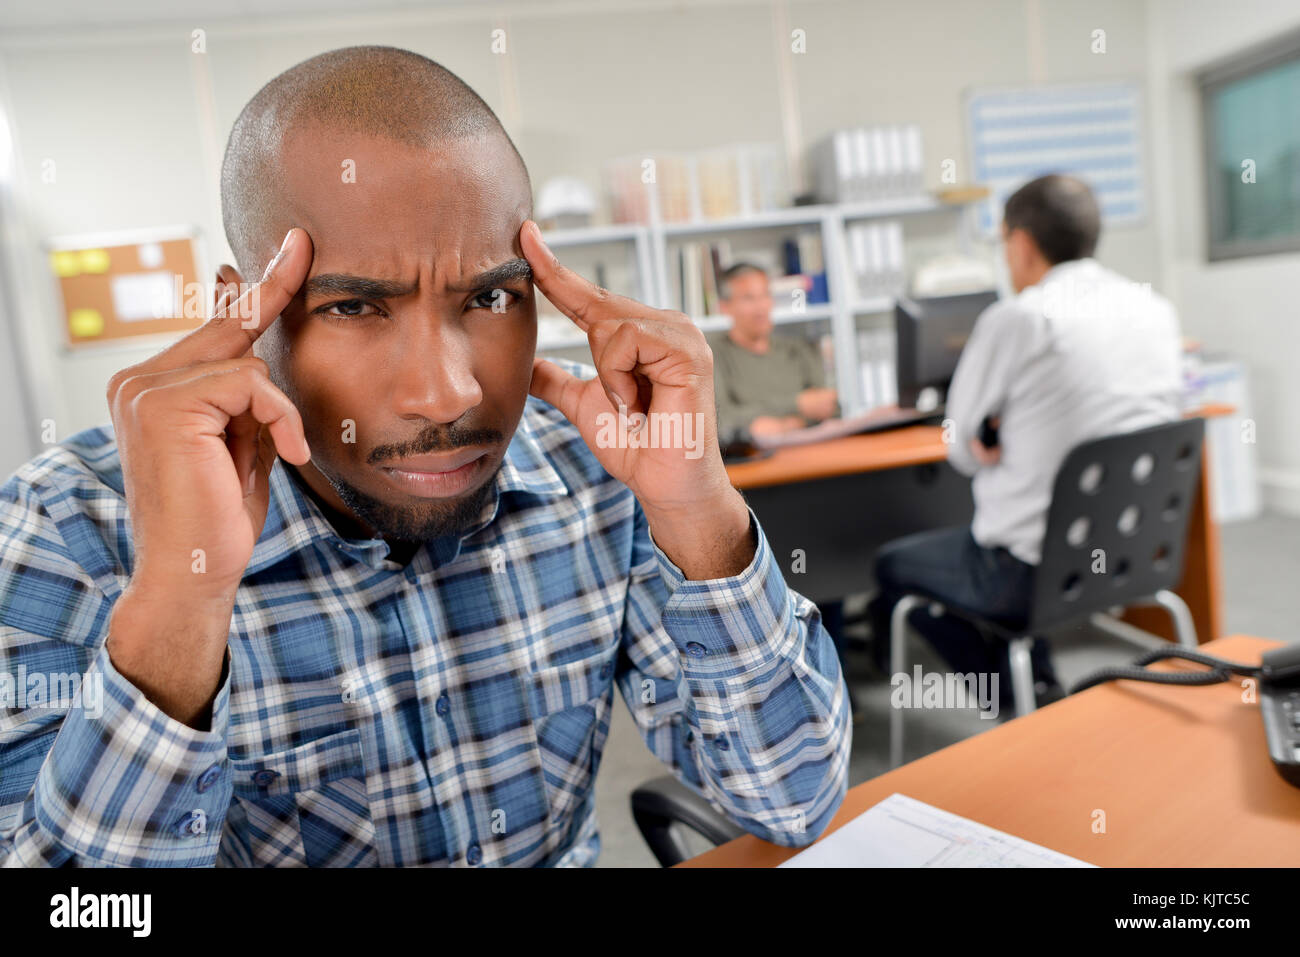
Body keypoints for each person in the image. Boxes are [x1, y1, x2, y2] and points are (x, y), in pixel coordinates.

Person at [0, 46, 850, 867]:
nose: (448, 395)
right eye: (355, 308)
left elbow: (795, 801)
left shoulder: (599, 475)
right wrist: (178, 611)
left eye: (489, 296)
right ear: (243, 317)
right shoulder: (68, 532)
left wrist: (699, 511)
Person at [869, 174, 1182, 711]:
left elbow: (962, 451)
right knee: (1019, 537)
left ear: (1021, 242)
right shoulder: (1155, 310)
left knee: (890, 566)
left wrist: (985, 441)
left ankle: (1016, 701)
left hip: (1028, 576)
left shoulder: (1019, 317)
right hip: (1131, 557)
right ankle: (1036, 685)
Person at [708, 263, 838, 441]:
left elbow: (828, 406)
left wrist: (782, 426)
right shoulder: (713, 355)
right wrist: (798, 405)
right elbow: (720, 420)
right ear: (725, 307)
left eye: (765, 295)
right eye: (748, 298)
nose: (761, 307)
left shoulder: (798, 348)